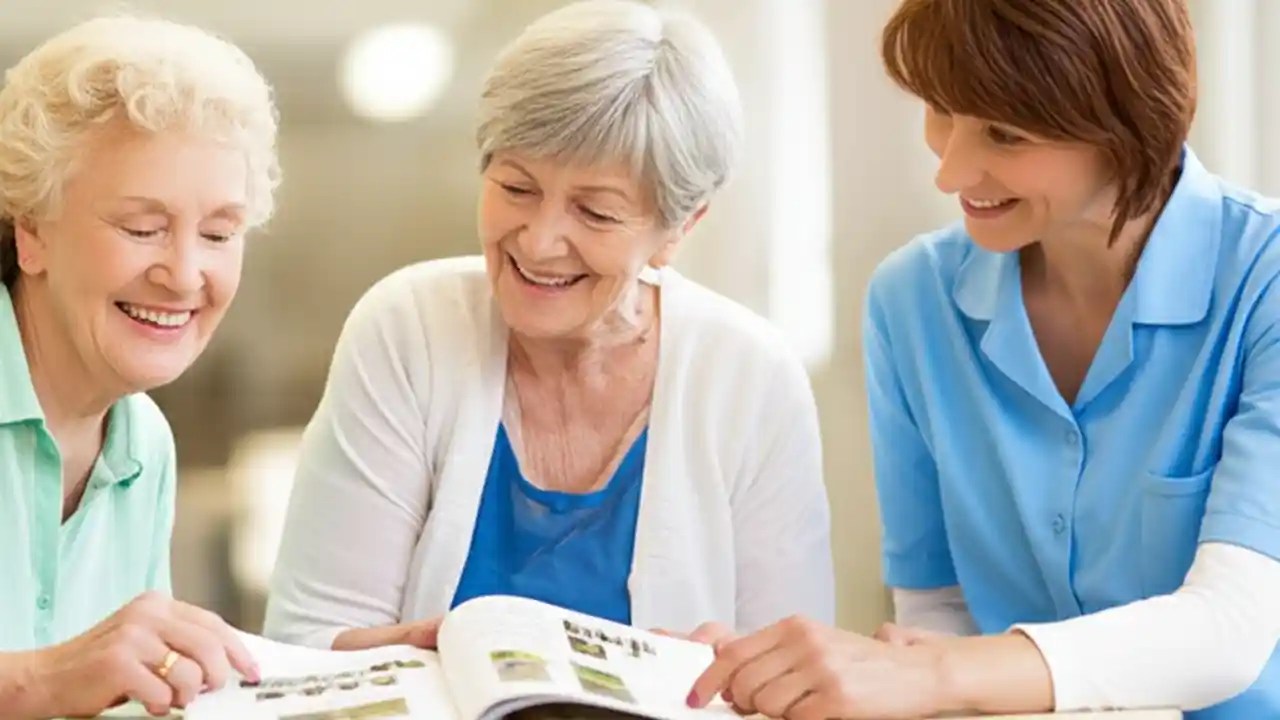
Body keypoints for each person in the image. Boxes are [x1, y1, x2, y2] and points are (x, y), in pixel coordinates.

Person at [687, 1, 1280, 718]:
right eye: (941, 110)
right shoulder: (912, 302)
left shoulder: (1264, 283)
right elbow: (939, 605)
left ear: (1126, 126)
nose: (951, 169)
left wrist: (932, 677)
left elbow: (1230, 629)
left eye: (1005, 133)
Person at [262, 0, 834, 652]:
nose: (538, 243)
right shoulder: (407, 331)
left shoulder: (751, 378)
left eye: (594, 213)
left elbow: (793, 676)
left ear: (679, 229)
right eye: (516, 188)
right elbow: (307, 644)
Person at [0, 15, 281, 718]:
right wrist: (37, 683)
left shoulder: (143, 443)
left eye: (219, 234)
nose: (186, 275)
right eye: (142, 228)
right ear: (30, 229)